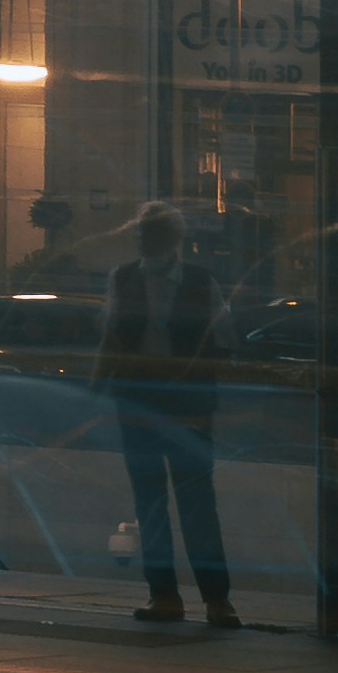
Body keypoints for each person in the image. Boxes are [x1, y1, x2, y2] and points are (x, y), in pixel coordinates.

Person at [88, 202, 238, 629]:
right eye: (140, 232)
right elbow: (223, 340)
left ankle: (188, 597)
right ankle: (194, 598)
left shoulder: (156, 279)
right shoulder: (174, 280)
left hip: (155, 402)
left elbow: (113, 336)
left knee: (180, 502)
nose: (140, 239)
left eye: (147, 232)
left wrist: (98, 386)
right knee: (176, 501)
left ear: (169, 238)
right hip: (164, 403)